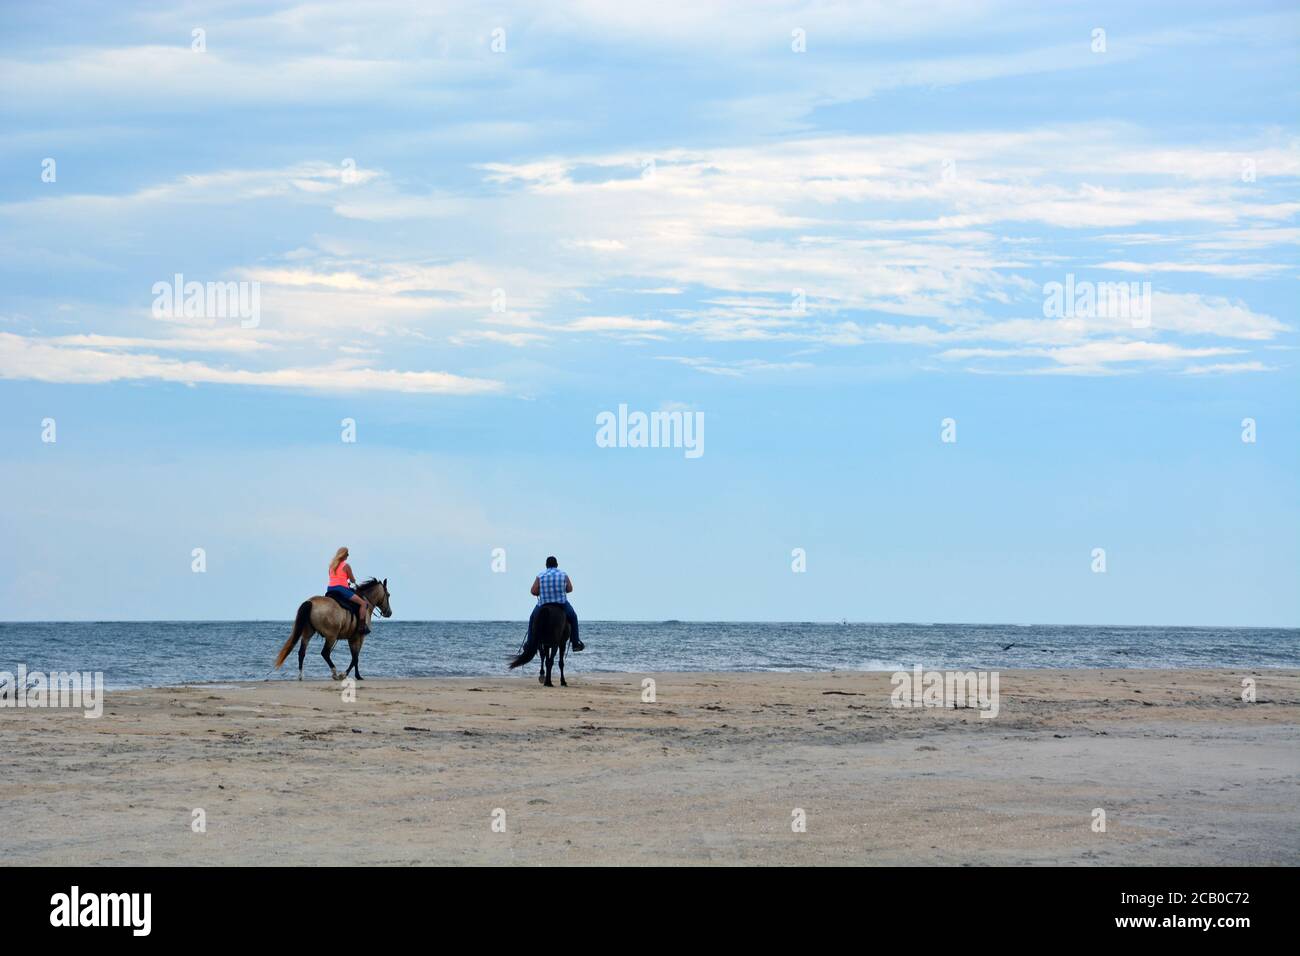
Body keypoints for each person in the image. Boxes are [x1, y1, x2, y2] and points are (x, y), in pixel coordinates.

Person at [528, 556, 583, 652]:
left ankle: (530, 643)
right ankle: (575, 643)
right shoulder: (563, 574)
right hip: (561, 603)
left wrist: (540, 592)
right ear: (557, 565)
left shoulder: (540, 575)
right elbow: (570, 589)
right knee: (574, 617)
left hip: (543, 604)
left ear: (546, 565)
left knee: (532, 619)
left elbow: (533, 591)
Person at [326, 546, 371, 635]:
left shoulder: (331, 566)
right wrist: (353, 581)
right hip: (341, 589)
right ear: (344, 555)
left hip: (330, 588)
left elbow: (334, 578)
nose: (348, 555)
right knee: (363, 604)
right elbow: (352, 579)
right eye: (347, 554)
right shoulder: (346, 566)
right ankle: (361, 627)